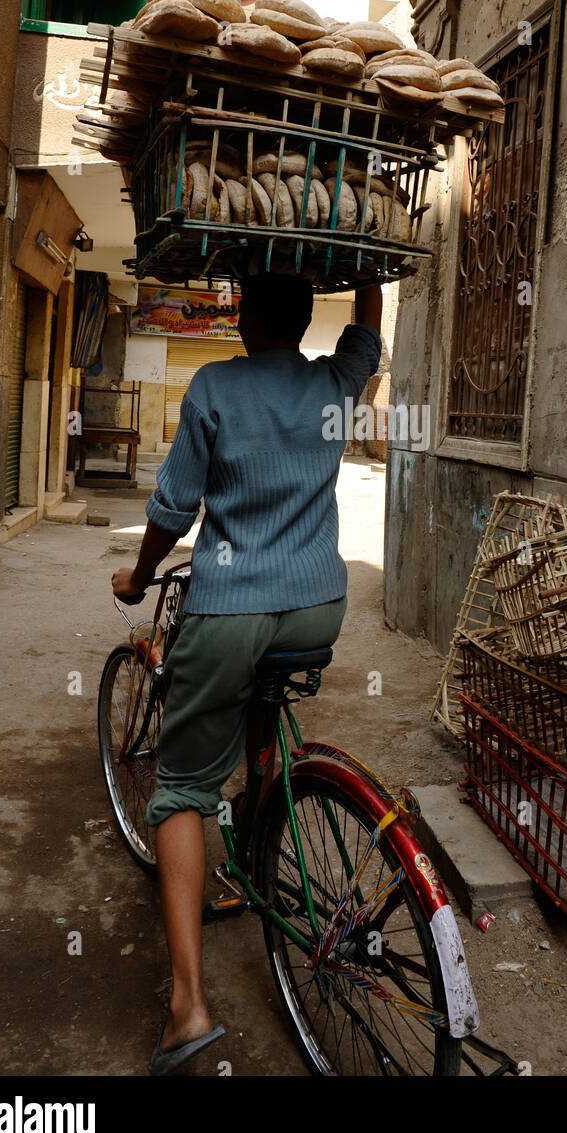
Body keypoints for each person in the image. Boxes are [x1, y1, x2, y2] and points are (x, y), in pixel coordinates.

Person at [112, 275, 382, 1075]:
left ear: (240, 316)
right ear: (303, 318)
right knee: (261, 705)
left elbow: (171, 509)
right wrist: (361, 269)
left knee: (181, 789)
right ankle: (260, 832)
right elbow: (366, 331)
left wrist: (137, 575)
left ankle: (187, 1005)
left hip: (232, 609)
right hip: (317, 610)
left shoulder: (215, 385)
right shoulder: (335, 380)